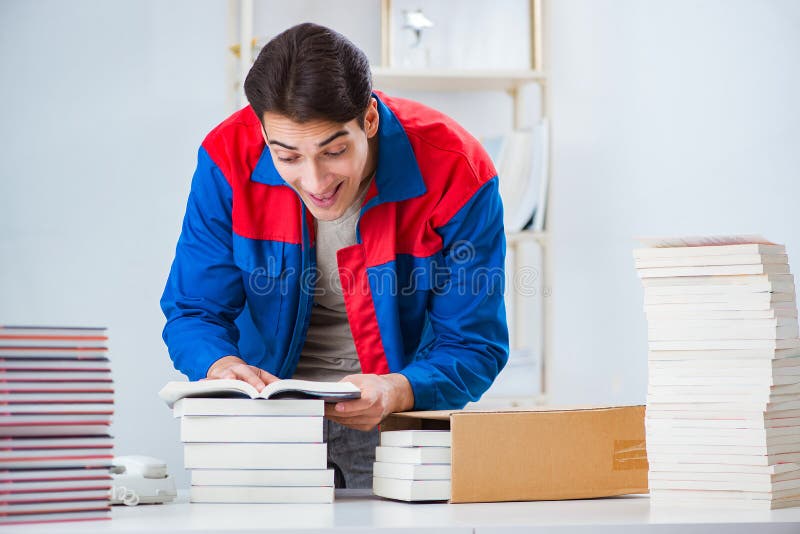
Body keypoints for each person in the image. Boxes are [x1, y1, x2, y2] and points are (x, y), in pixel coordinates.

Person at [160, 22, 508, 488]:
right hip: (263, 424)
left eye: (335, 151)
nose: (316, 181)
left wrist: (398, 389)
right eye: (287, 157)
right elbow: (193, 311)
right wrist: (220, 365)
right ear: (263, 134)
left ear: (369, 118)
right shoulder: (226, 159)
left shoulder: (455, 168)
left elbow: (473, 344)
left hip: (395, 426)